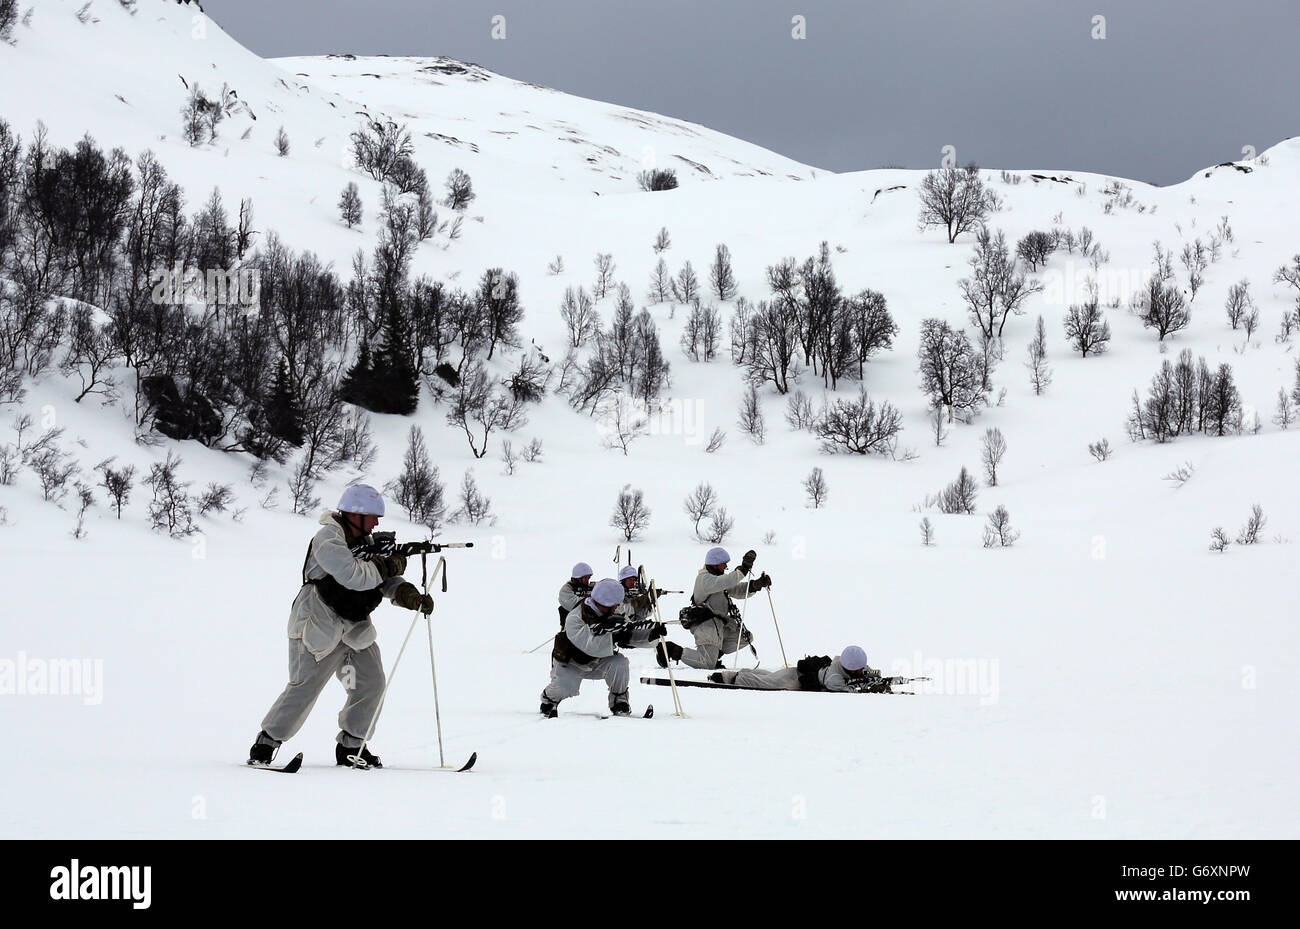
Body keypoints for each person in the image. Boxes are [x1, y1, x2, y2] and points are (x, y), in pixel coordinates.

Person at [247, 485, 434, 769]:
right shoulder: (327, 539)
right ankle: (266, 743)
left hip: (355, 629)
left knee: (371, 683)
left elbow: (380, 580)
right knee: (305, 688)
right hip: (318, 626)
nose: (376, 523)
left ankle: (352, 745)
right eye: (372, 516)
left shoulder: (366, 540)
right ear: (354, 514)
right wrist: (390, 565)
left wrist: (408, 595)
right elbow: (354, 577)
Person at [540, 578, 666, 717]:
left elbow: (629, 632)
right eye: (611, 605)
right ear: (599, 601)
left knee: (620, 664)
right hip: (571, 663)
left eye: (615, 605)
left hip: (597, 662)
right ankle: (548, 700)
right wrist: (616, 635)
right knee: (565, 688)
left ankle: (619, 702)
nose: (614, 608)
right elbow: (589, 645)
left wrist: (650, 634)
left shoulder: (613, 612)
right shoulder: (575, 618)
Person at [657, 546, 771, 670]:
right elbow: (726, 581)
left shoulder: (718, 579)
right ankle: (671, 650)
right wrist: (742, 570)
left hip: (720, 626)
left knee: (745, 638)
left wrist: (755, 585)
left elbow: (736, 589)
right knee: (707, 664)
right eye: (723, 564)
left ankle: (713, 655)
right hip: (707, 627)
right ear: (715, 564)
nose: (725, 567)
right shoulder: (704, 579)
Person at [710, 646, 892, 693]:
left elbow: (868, 673)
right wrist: (868, 688)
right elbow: (847, 689)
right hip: (799, 681)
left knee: (772, 676)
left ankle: (741, 673)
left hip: (801, 671)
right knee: (768, 683)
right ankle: (730, 678)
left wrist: (877, 680)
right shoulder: (835, 677)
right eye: (859, 670)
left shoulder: (852, 664)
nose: (862, 671)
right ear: (850, 668)